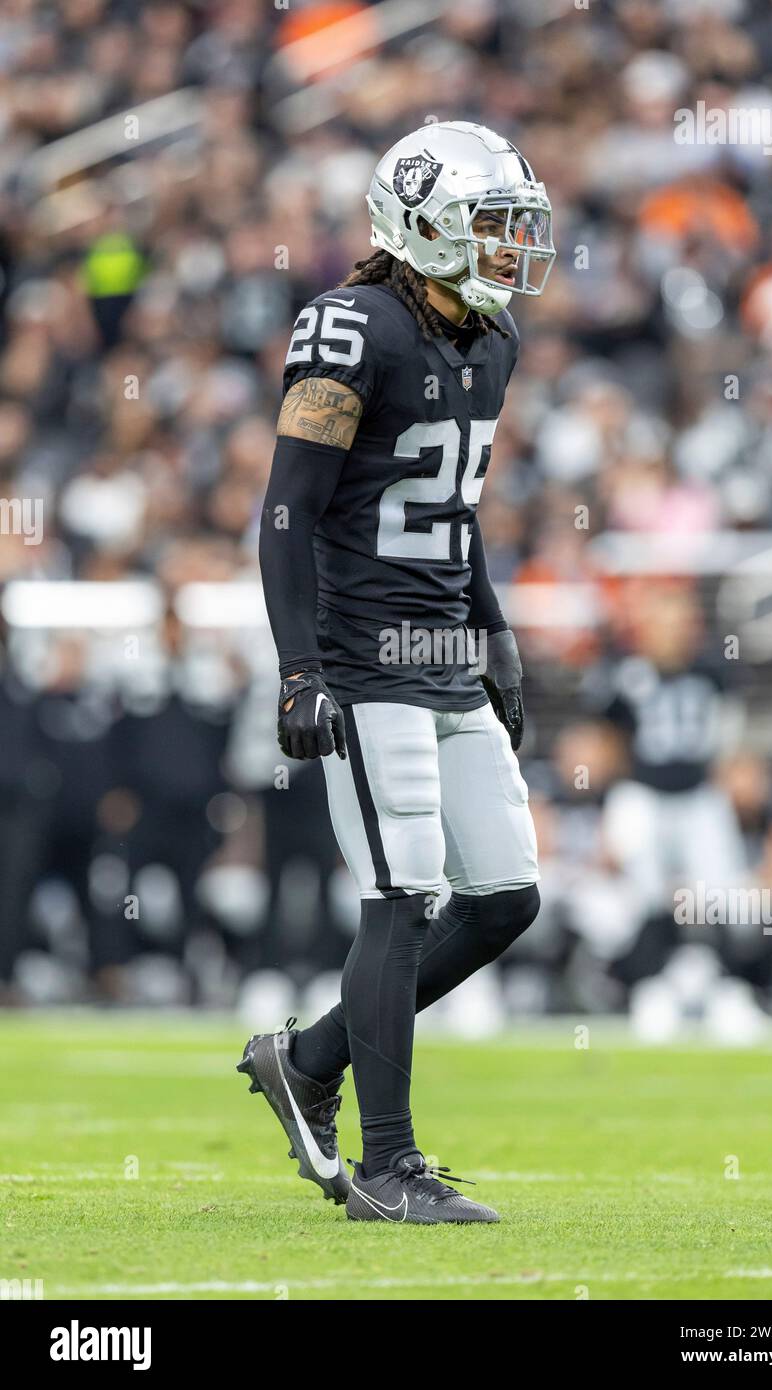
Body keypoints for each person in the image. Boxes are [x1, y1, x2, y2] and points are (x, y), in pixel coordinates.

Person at [237, 121, 555, 1224]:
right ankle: (385, 1164)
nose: (511, 248)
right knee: (403, 897)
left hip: (442, 651)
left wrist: (494, 634)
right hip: (365, 658)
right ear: (418, 225)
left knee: (504, 896)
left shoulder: (492, 339)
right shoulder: (349, 327)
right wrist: (297, 669)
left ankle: (307, 1058)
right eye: (490, 224)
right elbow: (286, 511)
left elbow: (453, 518)